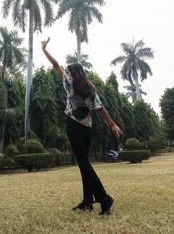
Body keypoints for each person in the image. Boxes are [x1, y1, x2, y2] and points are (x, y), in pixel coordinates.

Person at [41, 38, 123, 215]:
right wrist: (112, 125)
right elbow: (101, 109)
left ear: (72, 74)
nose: (68, 74)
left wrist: (44, 49)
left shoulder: (69, 85)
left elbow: (55, 64)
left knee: (84, 164)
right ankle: (87, 202)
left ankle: (104, 198)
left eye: (69, 72)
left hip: (73, 126)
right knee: (84, 164)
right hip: (87, 128)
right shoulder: (90, 87)